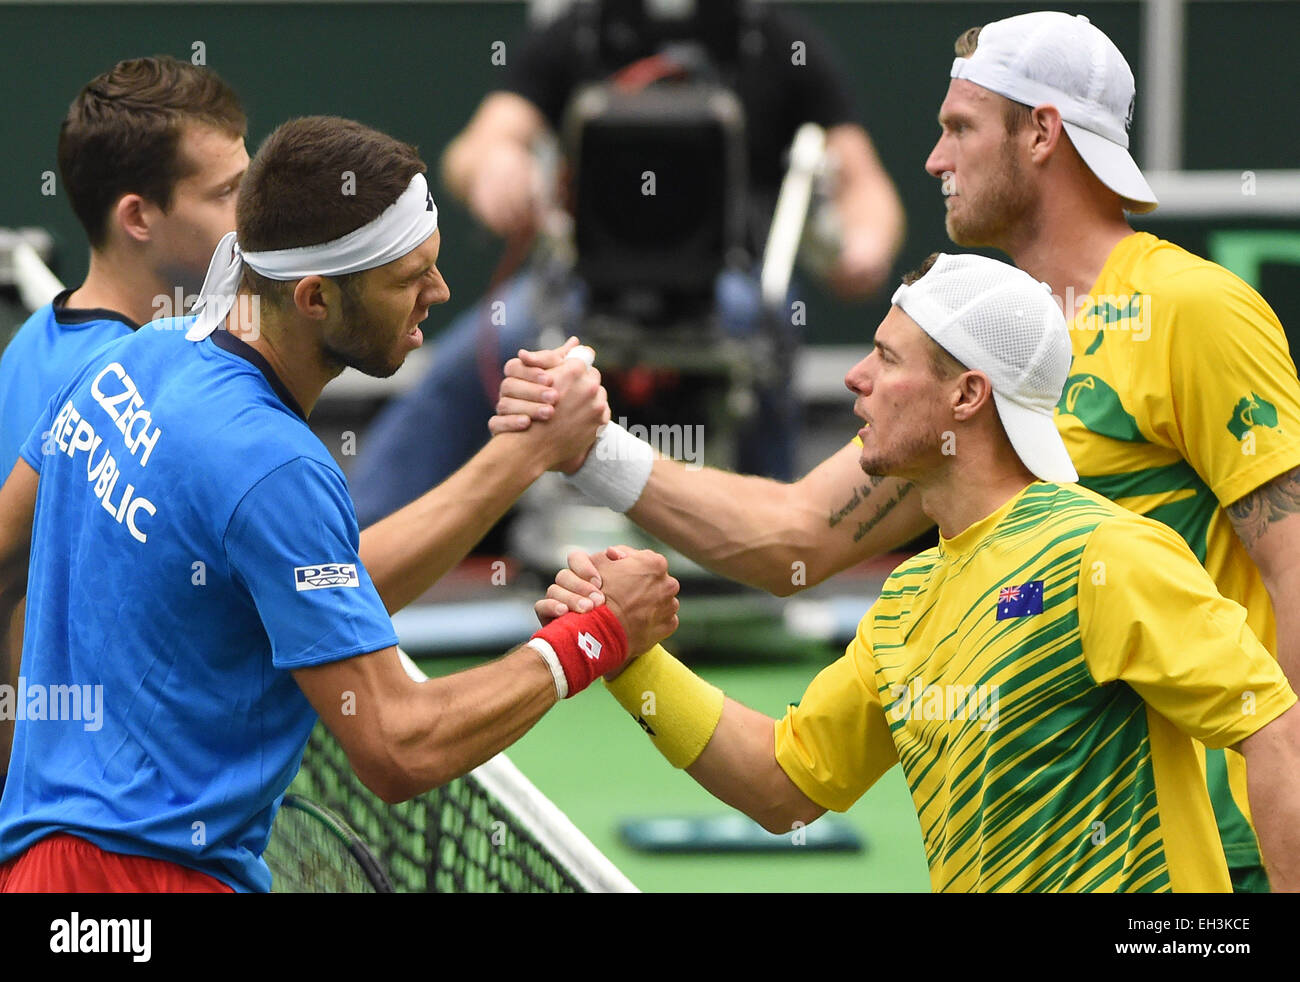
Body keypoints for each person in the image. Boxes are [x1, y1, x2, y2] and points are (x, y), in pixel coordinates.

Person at [498, 11, 1300, 892]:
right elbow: (799, 540)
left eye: (959, 127)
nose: (934, 160)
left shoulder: (1191, 312)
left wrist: (1282, 805)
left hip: (1230, 847)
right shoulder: (956, 392)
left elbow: (1292, 572)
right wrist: (594, 454)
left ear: (1043, 132)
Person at [0, 115, 679, 893]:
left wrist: (522, 454)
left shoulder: (131, 359)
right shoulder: (277, 468)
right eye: (407, 277)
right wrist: (595, 636)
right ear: (317, 296)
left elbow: (307, 589)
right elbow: (397, 748)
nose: (440, 292)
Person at [568, 253, 1300, 892]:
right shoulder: (906, 603)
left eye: (887, 359)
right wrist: (628, 655)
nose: (855, 377)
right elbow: (782, 784)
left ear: (967, 395)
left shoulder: (1104, 556)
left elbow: (1277, 733)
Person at [346, 0, 906, 525]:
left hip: (728, 287)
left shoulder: (776, 42)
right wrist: (494, 168)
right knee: (489, 343)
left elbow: (861, 179)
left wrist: (864, 246)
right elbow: (479, 146)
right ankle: (362, 545)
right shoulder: (579, 34)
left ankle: (778, 533)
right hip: (581, 283)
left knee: (765, 328)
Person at [0, 56, 250, 790]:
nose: (255, 215)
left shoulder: (33, 341)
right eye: (230, 193)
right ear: (138, 216)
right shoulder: (135, 393)